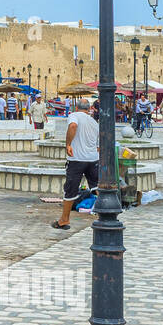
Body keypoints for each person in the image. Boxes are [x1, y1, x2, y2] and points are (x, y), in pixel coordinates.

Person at [53, 99, 99, 230]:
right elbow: (98, 145)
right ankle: (105, 215)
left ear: (76, 108)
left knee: (70, 189)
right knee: (97, 187)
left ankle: (64, 219)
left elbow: (73, 126)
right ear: (89, 109)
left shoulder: (74, 115)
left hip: (77, 159)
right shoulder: (94, 122)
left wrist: (68, 144)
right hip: (92, 159)